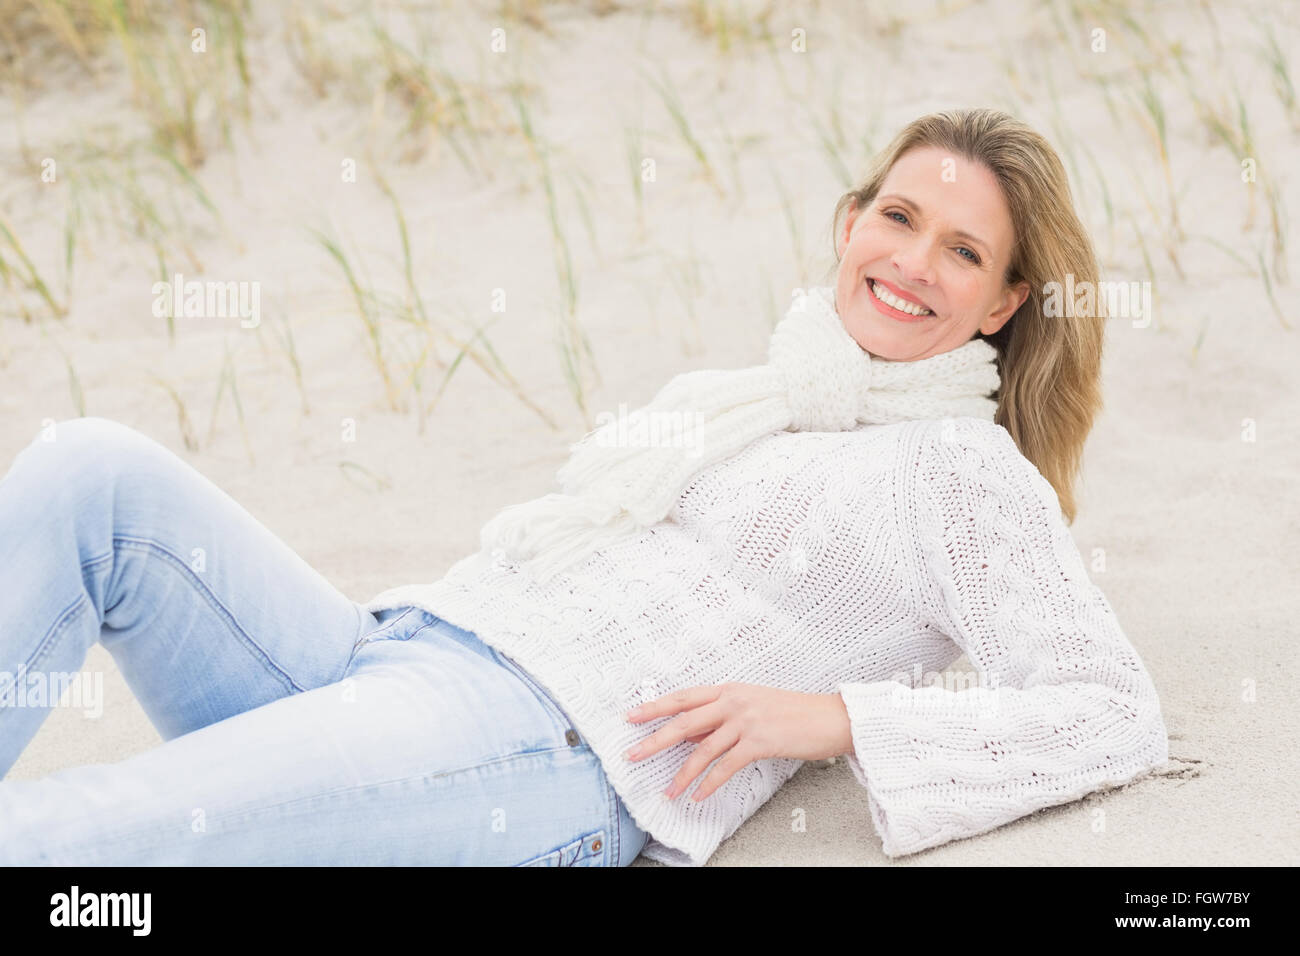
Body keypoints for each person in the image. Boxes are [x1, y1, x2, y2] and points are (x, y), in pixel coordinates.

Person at [0, 108, 1168, 867]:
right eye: (898, 217)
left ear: (1008, 301)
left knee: (76, 833)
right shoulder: (757, 390)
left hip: (538, 747)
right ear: (851, 221)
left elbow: (1109, 709)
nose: (912, 261)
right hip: (396, 647)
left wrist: (836, 717)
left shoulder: (963, 473)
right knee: (90, 471)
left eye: (962, 251)